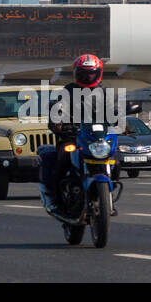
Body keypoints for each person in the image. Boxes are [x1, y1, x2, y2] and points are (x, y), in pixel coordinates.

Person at [39, 54, 106, 214]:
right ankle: (56, 198)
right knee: (63, 157)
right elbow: (58, 108)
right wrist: (57, 122)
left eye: (92, 73)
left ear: (98, 74)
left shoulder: (102, 93)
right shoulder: (68, 91)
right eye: (84, 73)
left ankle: (106, 193)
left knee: (115, 157)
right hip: (72, 137)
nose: (88, 76)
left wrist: (124, 124)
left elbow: (113, 112)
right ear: (77, 73)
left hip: (94, 138)